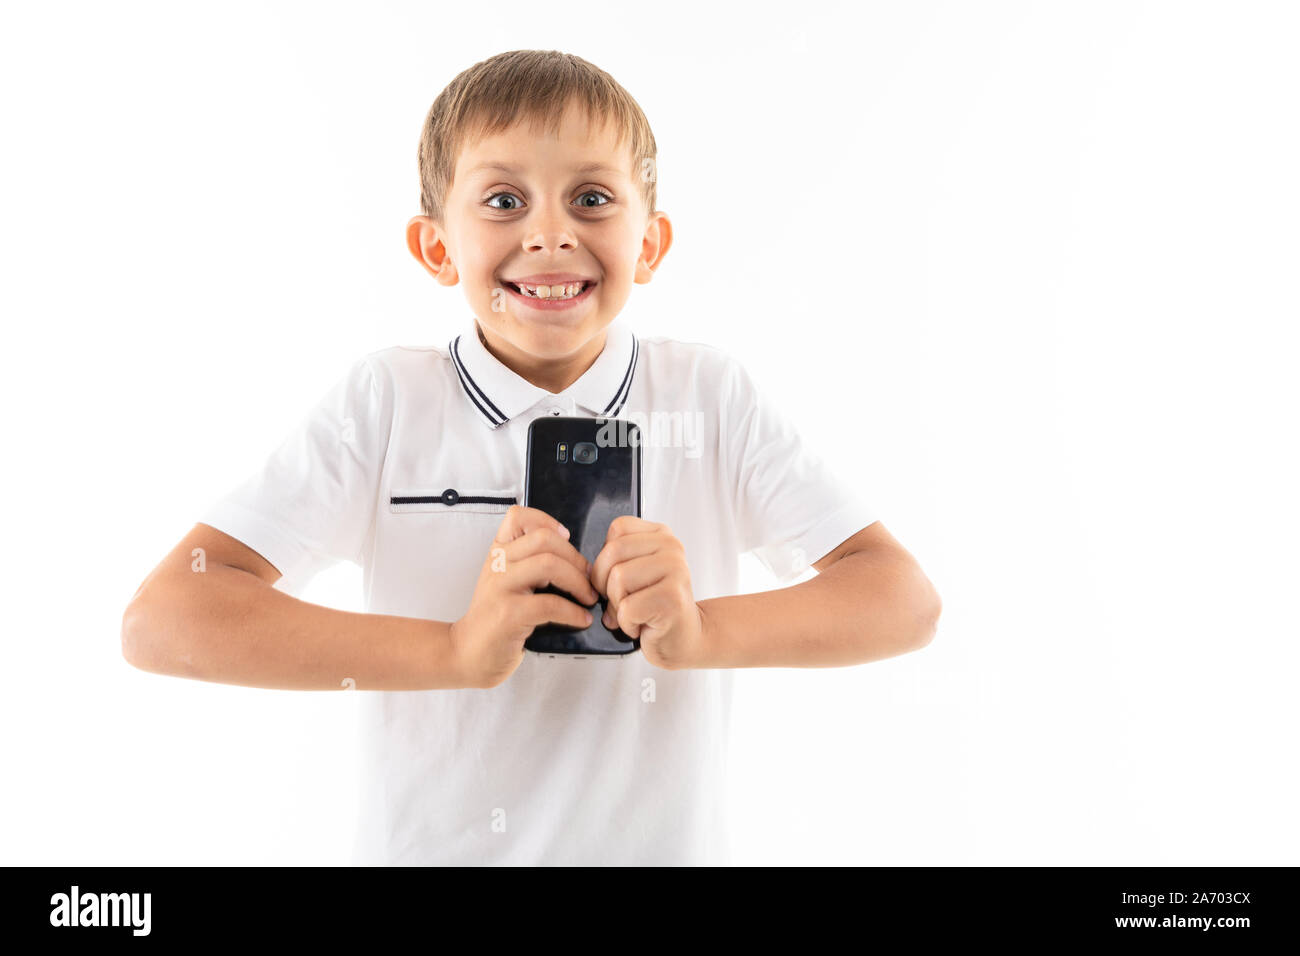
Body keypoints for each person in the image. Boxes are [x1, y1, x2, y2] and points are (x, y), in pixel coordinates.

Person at [121, 49, 942, 865]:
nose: (550, 234)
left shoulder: (709, 397)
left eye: (591, 198)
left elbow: (902, 599)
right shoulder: (387, 404)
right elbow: (165, 620)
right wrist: (455, 651)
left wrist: (697, 632)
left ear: (649, 243)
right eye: (504, 200)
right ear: (436, 247)